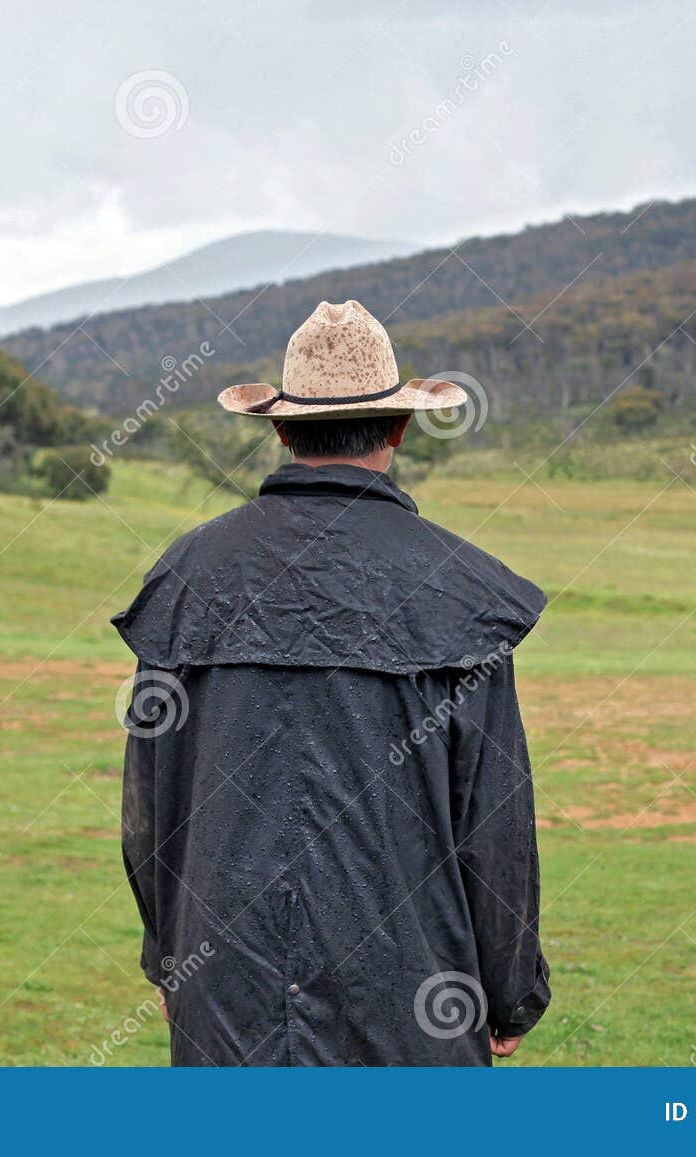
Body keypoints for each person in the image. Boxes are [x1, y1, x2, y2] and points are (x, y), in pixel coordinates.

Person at [113, 300, 550, 1066]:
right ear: (400, 426)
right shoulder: (457, 589)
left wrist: (170, 958)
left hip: (225, 1006)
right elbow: (496, 831)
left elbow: (151, 811)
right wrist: (510, 993)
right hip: (414, 1018)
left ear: (282, 430)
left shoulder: (191, 575)